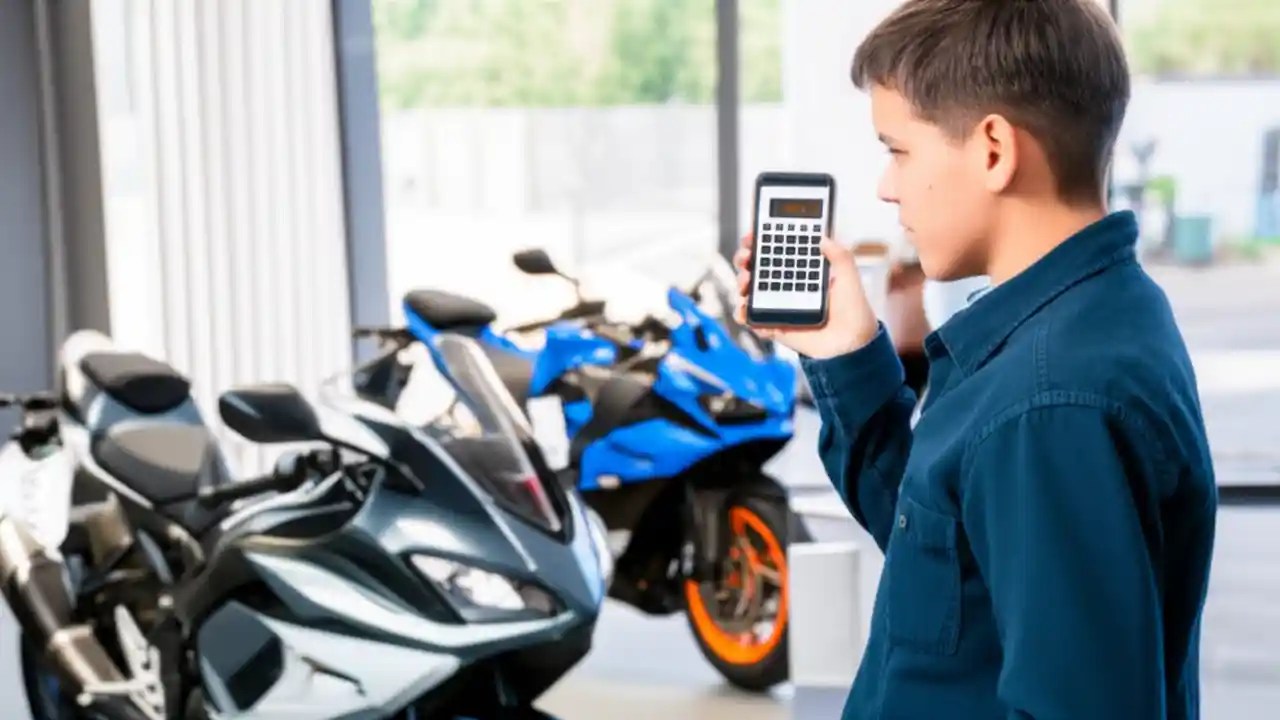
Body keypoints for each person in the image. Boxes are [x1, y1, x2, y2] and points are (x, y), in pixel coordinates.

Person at [734, 1, 1217, 718]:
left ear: (994, 149)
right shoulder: (1079, 322)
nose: (885, 185)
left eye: (898, 150)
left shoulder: (1050, 403)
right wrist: (846, 353)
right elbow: (949, 556)